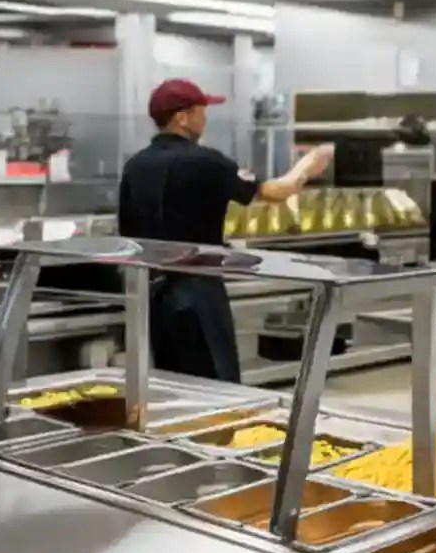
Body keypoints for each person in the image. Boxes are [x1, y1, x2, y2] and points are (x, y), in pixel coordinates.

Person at [118, 78, 332, 382]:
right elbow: (274, 191)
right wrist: (308, 166)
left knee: (174, 384)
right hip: (198, 289)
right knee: (218, 383)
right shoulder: (205, 161)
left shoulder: (135, 166)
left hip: (152, 294)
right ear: (183, 116)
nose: (205, 118)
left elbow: (126, 234)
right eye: (201, 111)